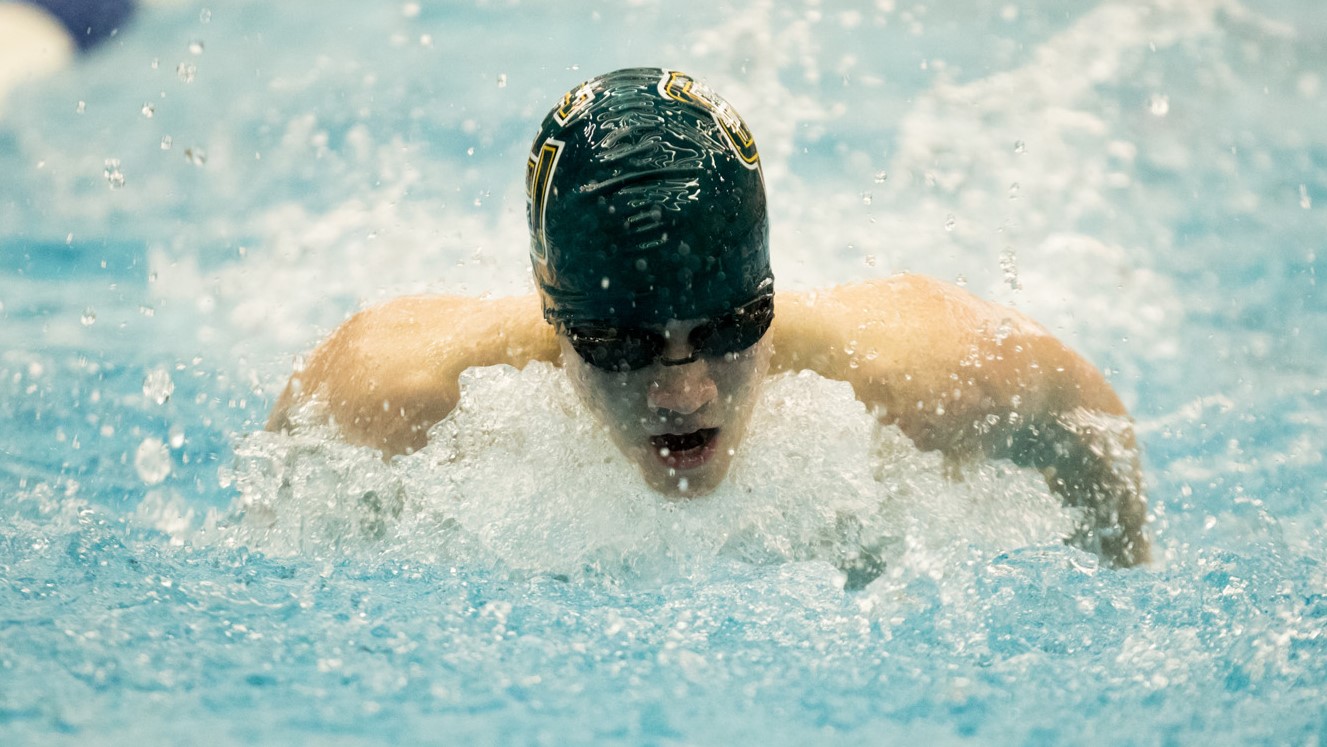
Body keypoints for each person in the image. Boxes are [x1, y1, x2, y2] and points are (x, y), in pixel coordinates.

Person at [267, 67, 1150, 567]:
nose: (683, 391)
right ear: (552, 311)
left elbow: (1094, 436)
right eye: (622, 347)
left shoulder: (928, 378)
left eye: (729, 329)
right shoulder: (392, 393)